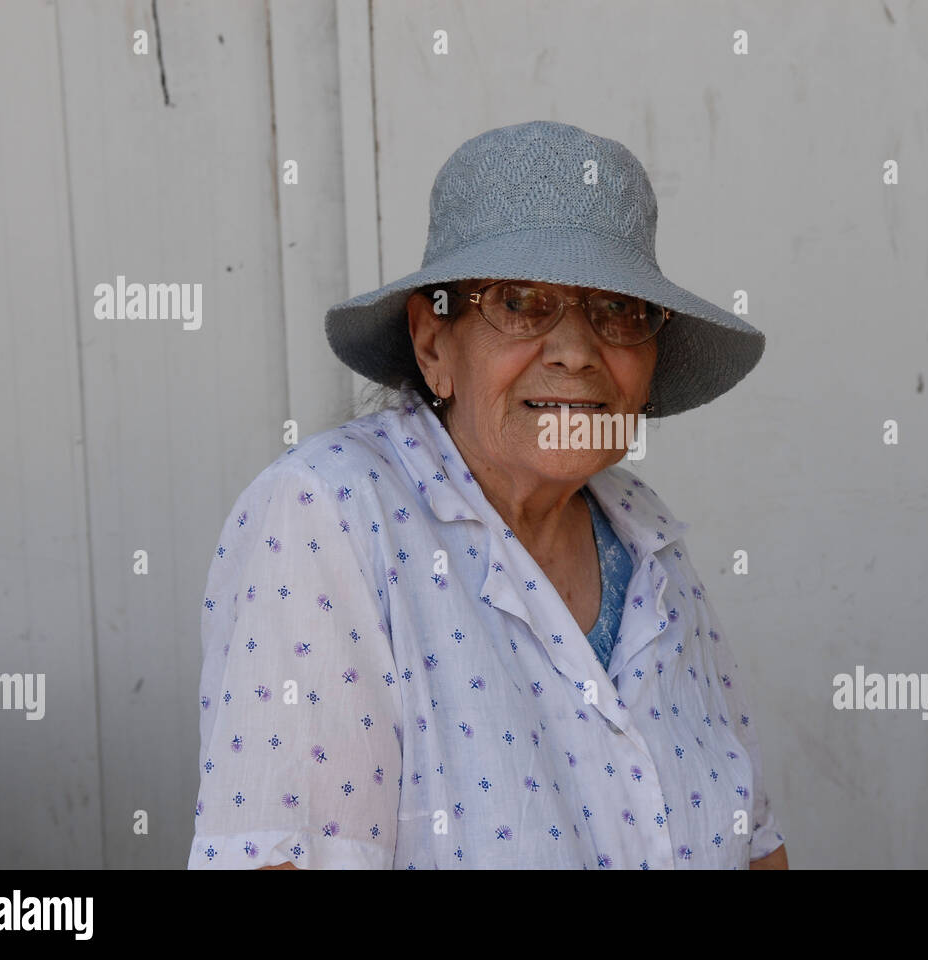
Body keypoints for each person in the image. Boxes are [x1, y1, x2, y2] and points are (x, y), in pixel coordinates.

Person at [188, 120, 786, 869]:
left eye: (619, 311)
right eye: (522, 301)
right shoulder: (329, 516)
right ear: (434, 343)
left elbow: (755, 844)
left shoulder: (646, 538)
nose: (575, 352)